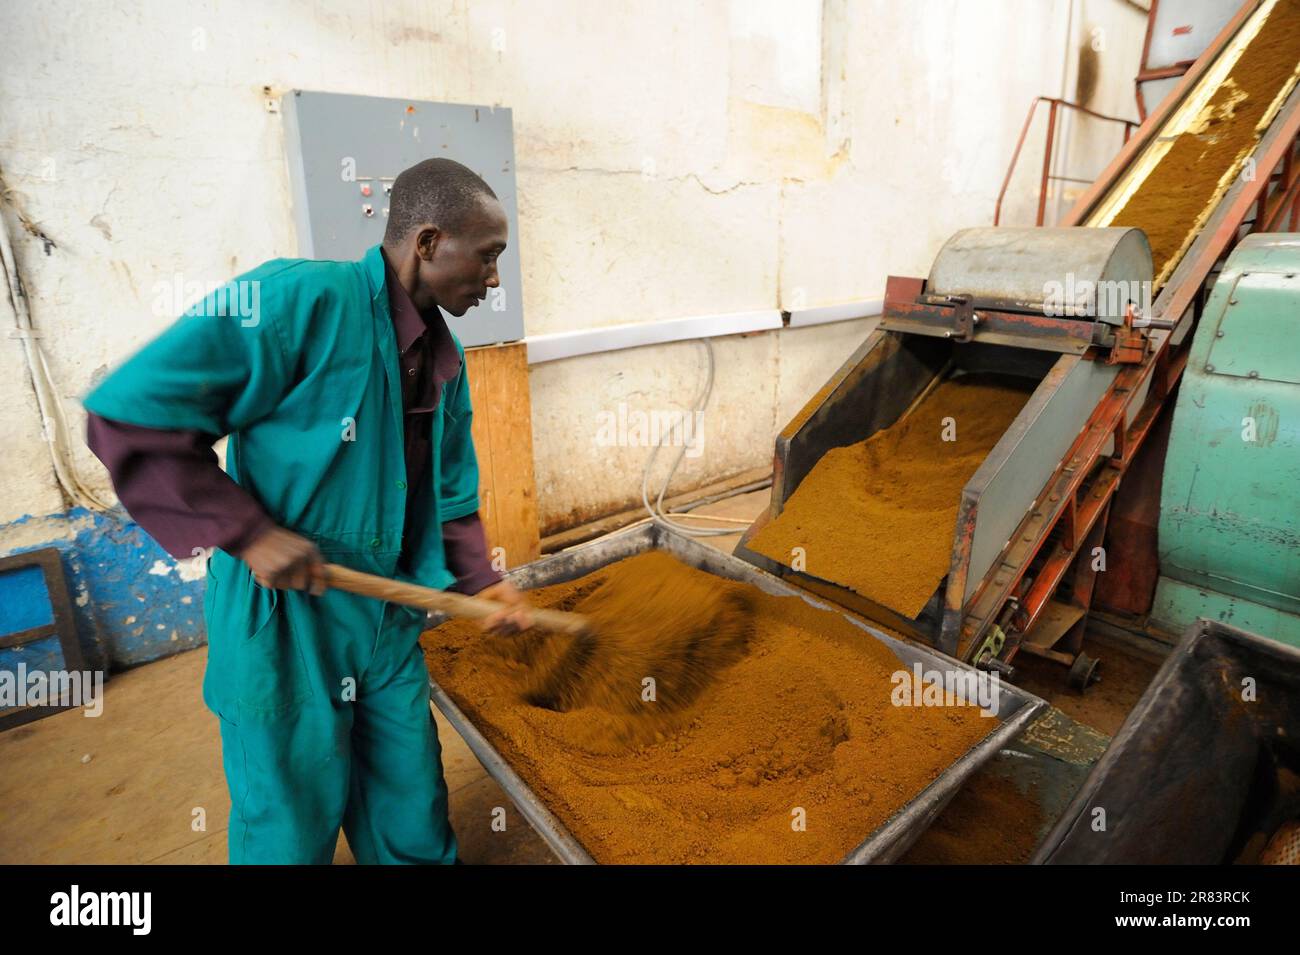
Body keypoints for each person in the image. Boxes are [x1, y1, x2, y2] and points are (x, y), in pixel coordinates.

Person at [84, 157, 533, 864]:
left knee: (410, 806)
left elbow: (450, 489)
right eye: (488, 257)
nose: (495, 279)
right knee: (288, 825)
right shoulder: (297, 302)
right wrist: (249, 532)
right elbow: (130, 416)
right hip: (287, 623)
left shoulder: (445, 360)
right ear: (426, 241)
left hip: (387, 619)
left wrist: (480, 579)